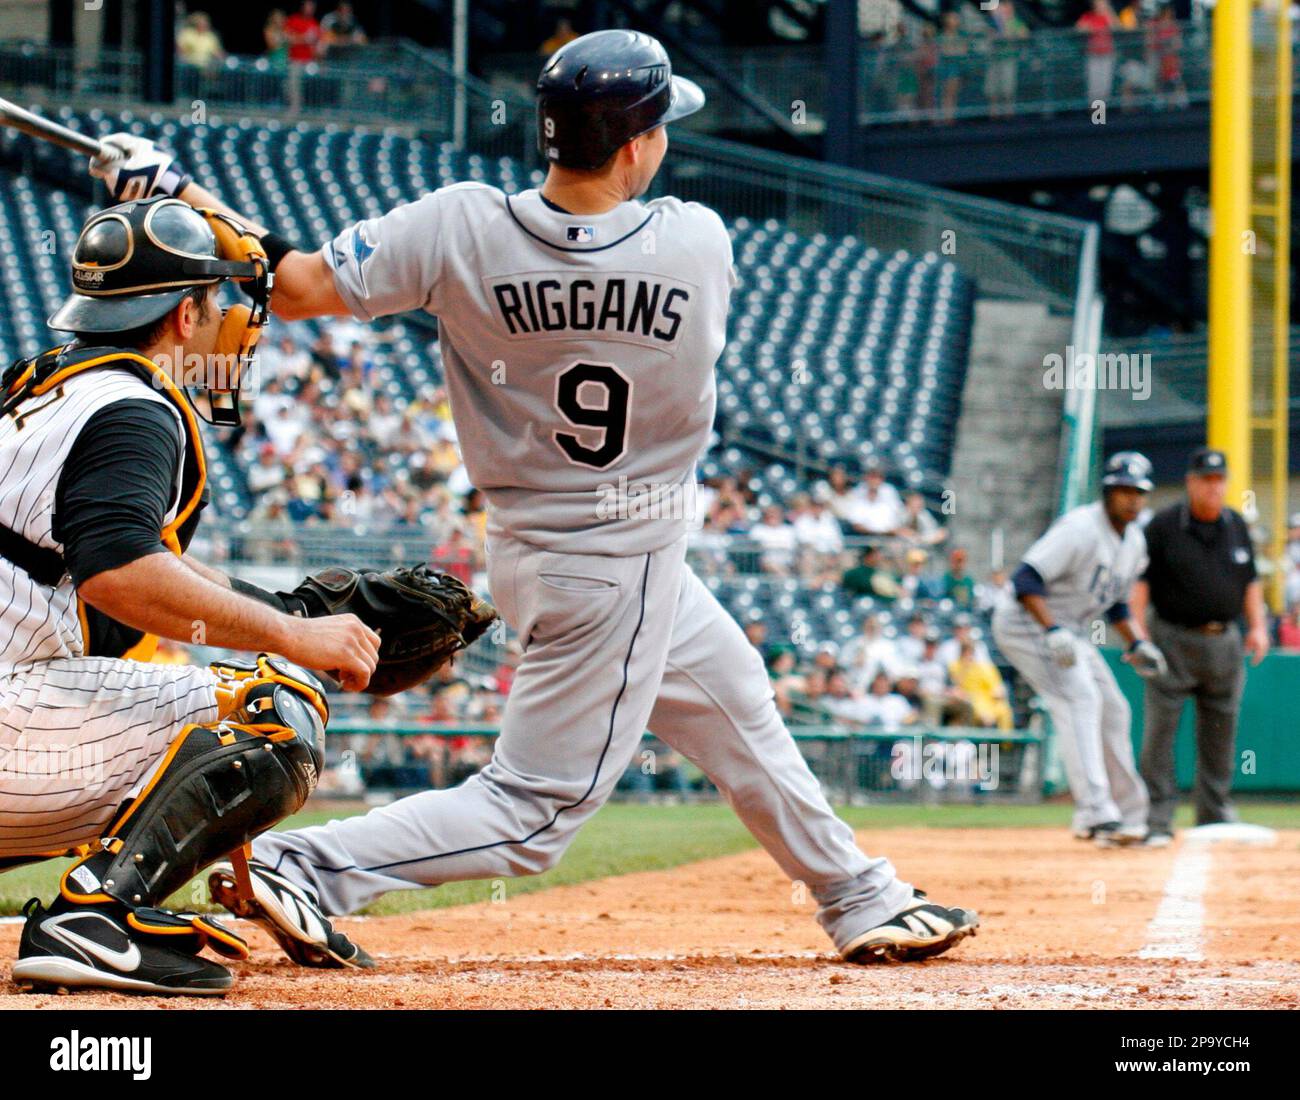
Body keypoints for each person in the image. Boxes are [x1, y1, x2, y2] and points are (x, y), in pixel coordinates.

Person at [86, 29, 979, 967]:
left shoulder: (459, 224)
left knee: (734, 700)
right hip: (617, 559)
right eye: (658, 128)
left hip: (539, 547)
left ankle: (857, 894)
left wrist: (177, 194)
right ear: (633, 144)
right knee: (535, 811)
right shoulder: (695, 240)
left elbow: (295, 281)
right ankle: (303, 863)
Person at [1, 198, 379, 995]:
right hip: (8, 719)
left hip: (16, 712)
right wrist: (293, 643)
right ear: (184, 312)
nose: (233, 320)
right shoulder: (134, 408)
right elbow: (121, 571)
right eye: (221, 300)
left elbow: (147, 557)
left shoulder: (41, 389)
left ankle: (209, 886)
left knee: (230, 699)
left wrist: (289, 617)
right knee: (274, 705)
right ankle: (94, 918)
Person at [992, 452, 1165, 846]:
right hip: (1025, 622)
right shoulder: (1080, 528)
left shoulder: (1135, 540)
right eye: (1123, 490)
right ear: (1107, 491)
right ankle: (1095, 813)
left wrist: (1136, 641)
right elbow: (1026, 579)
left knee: (1115, 708)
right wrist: (1051, 629)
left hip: (1068, 627)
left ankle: (1128, 814)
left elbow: (1117, 603)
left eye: (1138, 492)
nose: (1131, 499)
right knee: (1079, 699)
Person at [1130, 448, 1269, 847]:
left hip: (1223, 641)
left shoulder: (1236, 525)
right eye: (1205, 479)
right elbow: (1140, 586)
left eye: (1219, 479)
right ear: (1190, 482)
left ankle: (1214, 813)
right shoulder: (1163, 525)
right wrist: (1138, 637)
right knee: (1160, 733)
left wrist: (1258, 627)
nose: (1213, 486)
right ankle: (1157, 817)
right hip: (1171, 638)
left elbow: (1250, 582)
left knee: (1221, 732)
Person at [1076, 0, 1118, 107]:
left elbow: (1117, 27)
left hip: (1107, 56)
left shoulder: (1108, 16)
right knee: (1094, 87)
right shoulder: (1088, 16)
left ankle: (1102, 117)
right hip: (1093, 56)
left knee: (1105, 87)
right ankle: (1095, 117)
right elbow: (1078, 29)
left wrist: (1108, 12)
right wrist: (1087, 28)